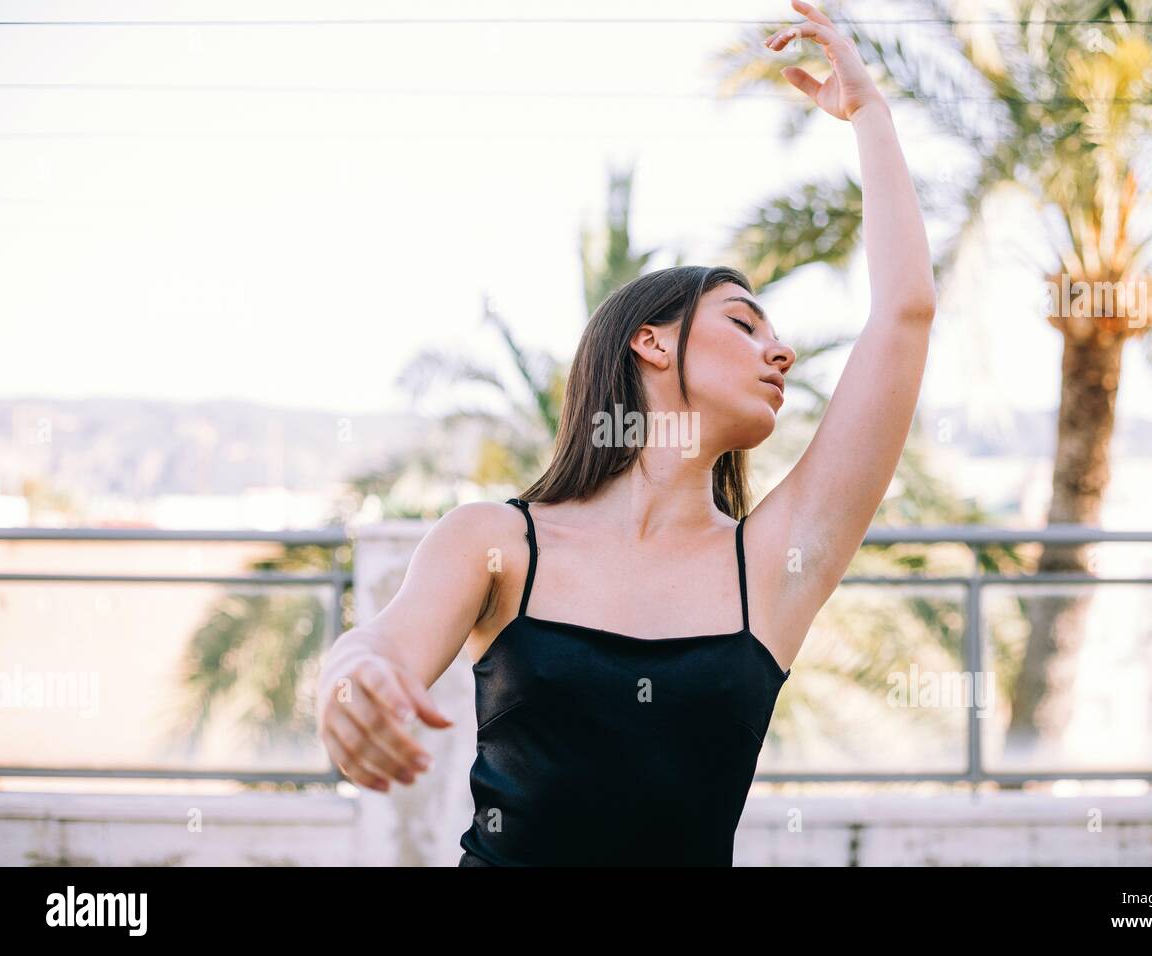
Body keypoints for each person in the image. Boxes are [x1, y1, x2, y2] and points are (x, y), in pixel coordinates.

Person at [316, 0, 935, 866]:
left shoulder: (775, 564)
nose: (781, 349)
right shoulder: (498, 542)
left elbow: (904, 317)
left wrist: (871, 116)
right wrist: (351, 681)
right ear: (652, 341)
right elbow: (382, 640)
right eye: (743, 322)